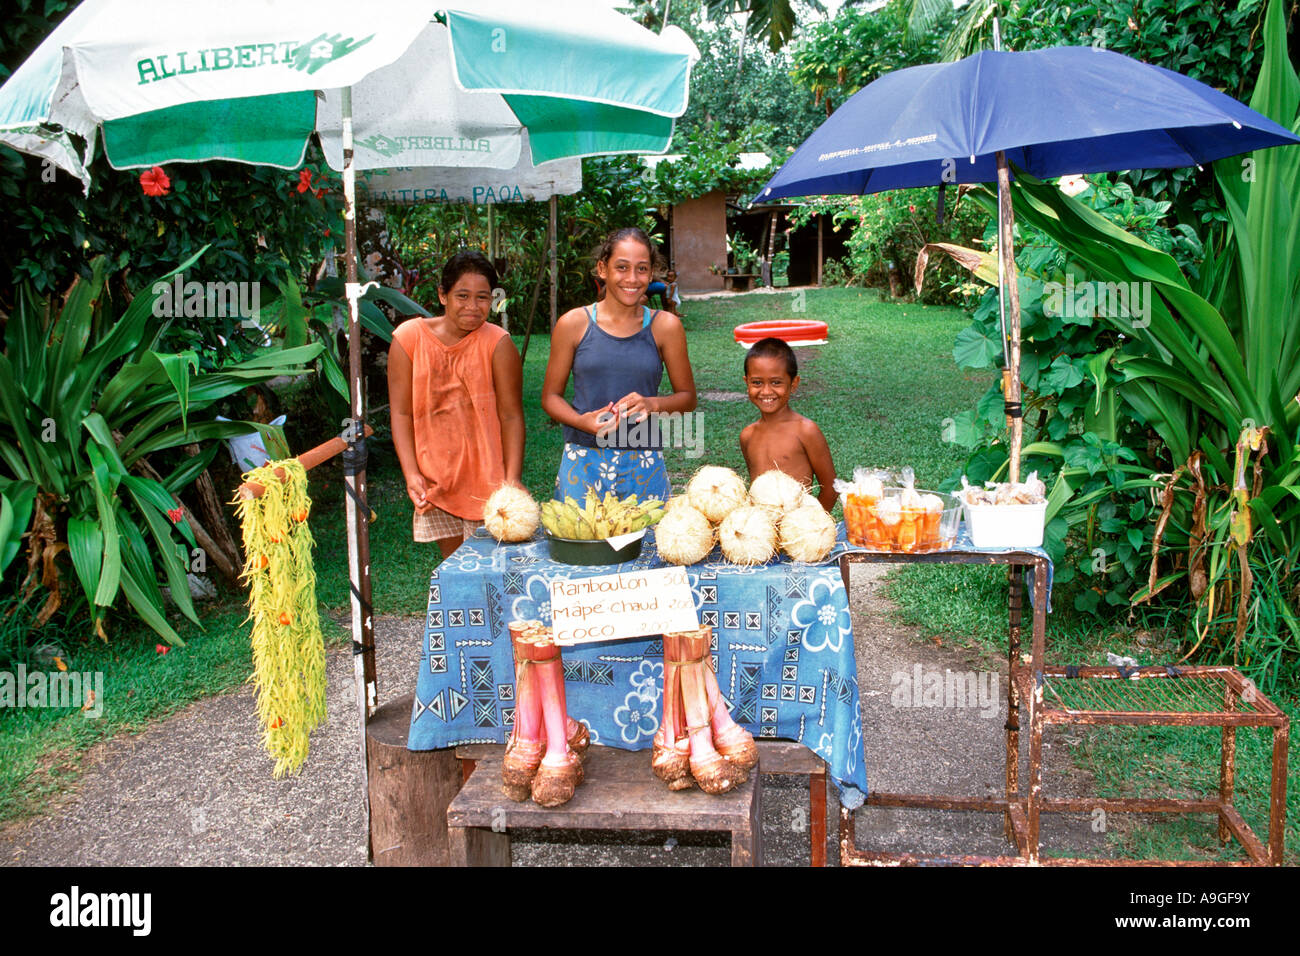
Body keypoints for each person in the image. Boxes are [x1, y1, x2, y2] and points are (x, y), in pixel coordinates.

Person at [541, 227, 696, 502]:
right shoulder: (574, 324)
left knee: (648, 544)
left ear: (652, 273)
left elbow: (688, 398)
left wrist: (653, 404)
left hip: (643, 461)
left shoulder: (666, 326)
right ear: (602, 269)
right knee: (582, 542)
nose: (632, 279)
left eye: (642, 269)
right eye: (622, 267)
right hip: (582, 460)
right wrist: (581, 421)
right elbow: (550, 397)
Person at [388, 250, 524, 557]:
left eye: (483, 298)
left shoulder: (498, 343)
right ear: (442, 295)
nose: (473, 307)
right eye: (462, 295)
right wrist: (412, 473)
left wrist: (512, 480)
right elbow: (400, 412)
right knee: (455, 566)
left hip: (489, 476)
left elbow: (512, 416)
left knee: (493, 566)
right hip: (437, 478)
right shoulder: (409, 339)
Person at [739, 337, 837, 511]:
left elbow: (830, 488)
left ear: (794, 384)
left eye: (776, 382)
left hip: (798, 529)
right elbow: (756, 490)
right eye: (757, 383)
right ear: (747, 383)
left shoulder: (805, 430)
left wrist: (811, 525)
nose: (766, 391)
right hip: (762, 530)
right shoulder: (747, 435)